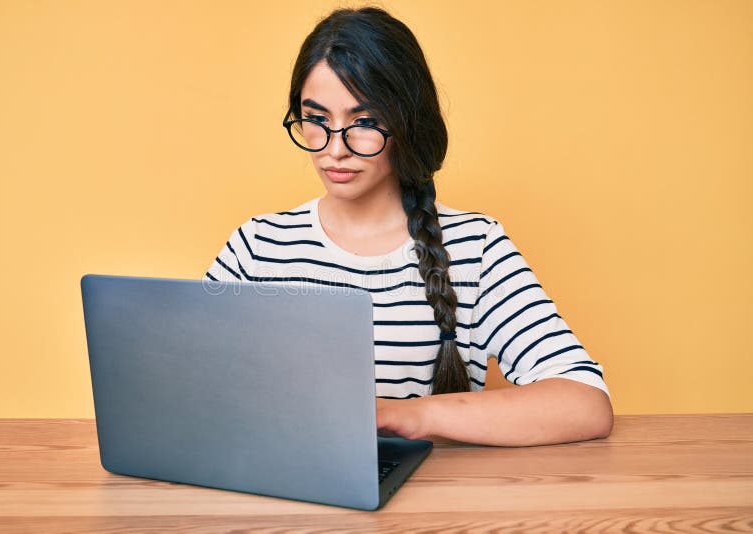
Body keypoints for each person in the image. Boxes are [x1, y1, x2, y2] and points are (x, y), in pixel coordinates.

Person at [202, 6, 613, 446]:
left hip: (429, 508)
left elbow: (584, 403)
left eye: (364, 122)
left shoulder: (476, 248)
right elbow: (189, 387)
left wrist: (411, 415)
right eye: (317, 119)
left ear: (407, 122)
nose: (334, 149)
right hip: (281, 498)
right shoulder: (258, 246)